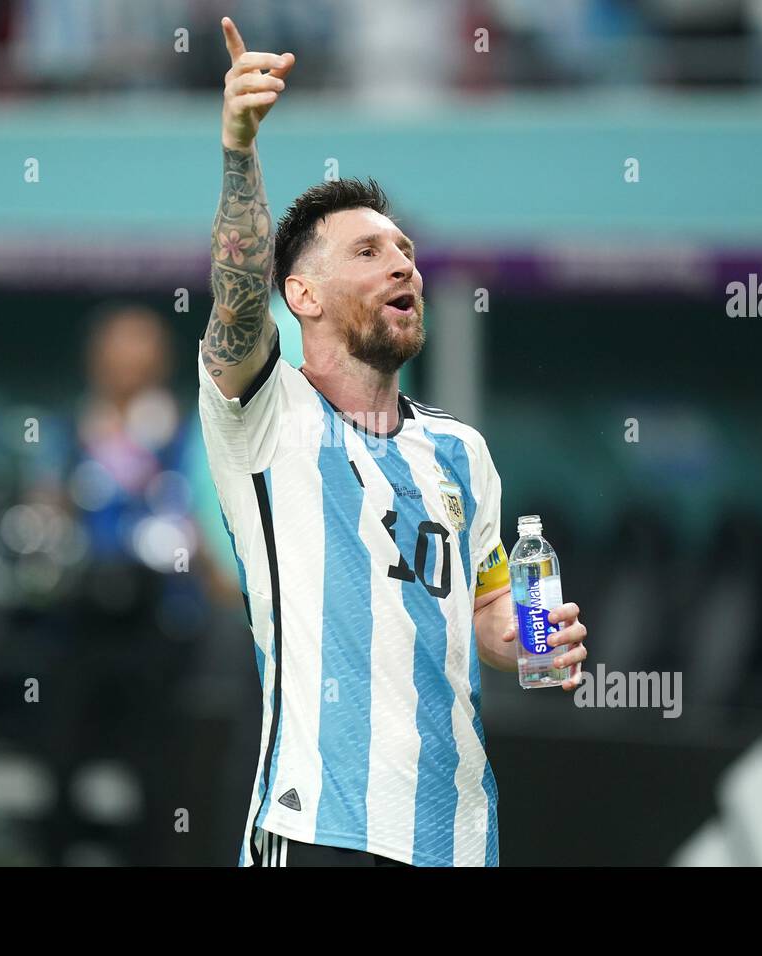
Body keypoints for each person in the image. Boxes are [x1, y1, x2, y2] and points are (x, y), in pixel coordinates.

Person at [198, 18, 589, 868]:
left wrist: (528, 639)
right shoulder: (264, 418)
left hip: (458, 835)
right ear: (300, 295)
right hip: (317, 829)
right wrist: (239, 150)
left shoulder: (462, 454)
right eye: (369, 251)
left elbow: (486, 610)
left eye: (406, 251)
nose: (404, 265)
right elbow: (235, 304)